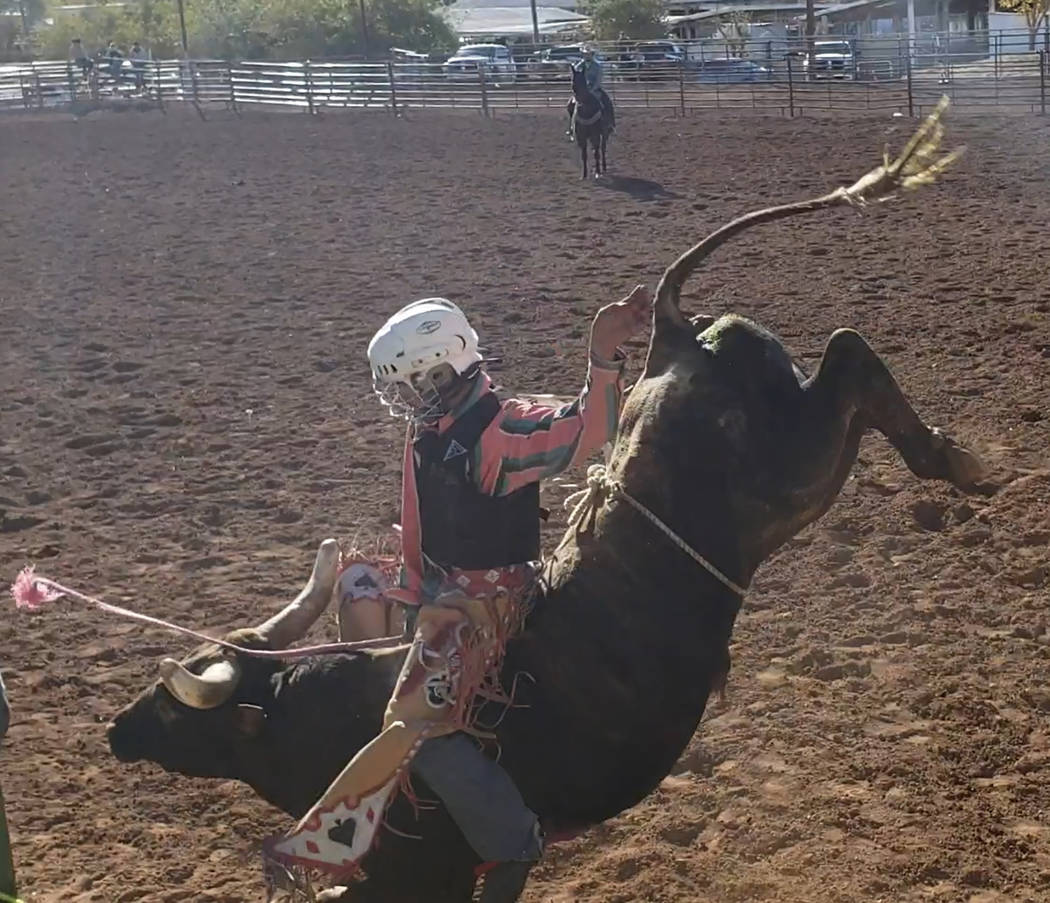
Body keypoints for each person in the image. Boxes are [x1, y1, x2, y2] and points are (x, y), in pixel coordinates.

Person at [265, 287, 651, 901]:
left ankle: (509, 839)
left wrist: (603, 356)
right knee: (360, 586)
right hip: (439, 592)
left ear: (439, 371)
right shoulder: (435, 428)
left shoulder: (496, 433)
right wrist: (411, 591)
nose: (405, 398)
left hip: (486, 608)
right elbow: (420, 523)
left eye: (411, 384)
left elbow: (587, 430)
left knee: (415, 725)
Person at [567, 45, 615, 136]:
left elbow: (598, 80)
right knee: (570, 105)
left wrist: (593, 89)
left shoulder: (597, 66)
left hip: (595, 90)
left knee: (607, 102)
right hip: (582, 91)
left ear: (592, 55)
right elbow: (575, 75)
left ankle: (609, 124)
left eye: (588, 54)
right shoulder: (580, 64)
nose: (586, 56)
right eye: (585, 54)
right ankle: (571, 126)